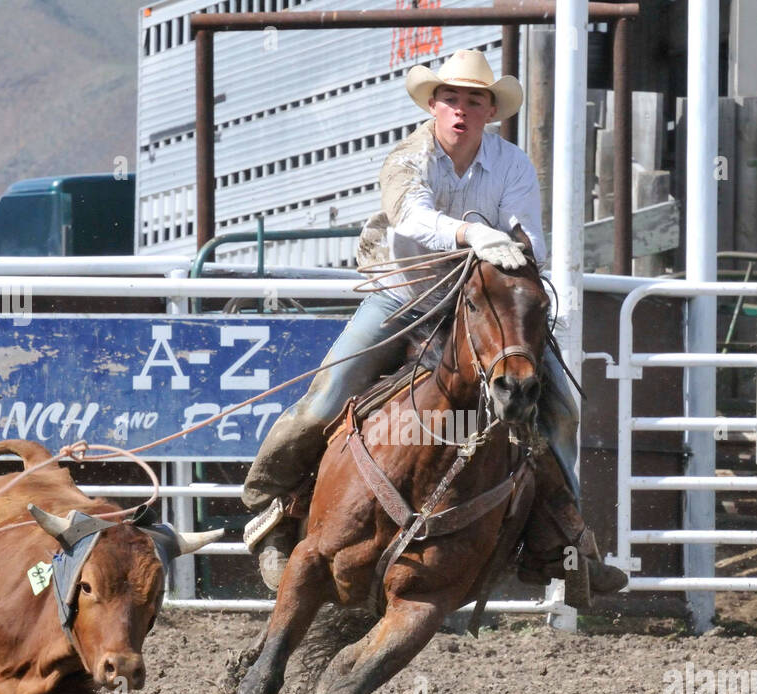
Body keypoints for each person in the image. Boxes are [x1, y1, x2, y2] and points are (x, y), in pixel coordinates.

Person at [240, 49, 627, 606]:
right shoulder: (407, 159)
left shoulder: (513, 164)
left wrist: (512, 243)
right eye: (452, 99)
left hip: (484, 304)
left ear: (491, 111)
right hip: (404, 294)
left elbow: (530, 236)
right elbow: (410, 216)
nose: (462, 110)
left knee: (560, 409)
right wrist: (473, 234)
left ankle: (565, 547)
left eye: (475, 100)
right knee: (326, 398)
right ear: (434, 105)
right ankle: (273, 510)